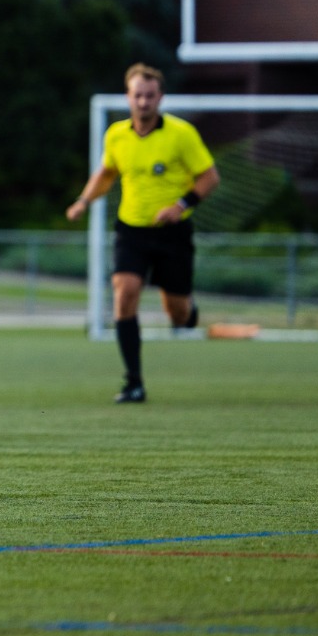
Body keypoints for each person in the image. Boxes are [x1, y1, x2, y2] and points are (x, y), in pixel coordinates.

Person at [65, 63, 221, 404]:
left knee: (177, 314)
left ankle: (188, 310)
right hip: (131, 229)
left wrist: (180, 206)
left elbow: (210, 178)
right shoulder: (117, 135)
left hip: (173, 232)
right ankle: (133, 382)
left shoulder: (181, 134)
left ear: (160, 98)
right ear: (128, 97)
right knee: (125, 291)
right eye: (138, 95)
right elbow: (107, 173)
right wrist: (83, 201)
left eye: (150, 96)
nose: (144, 102)